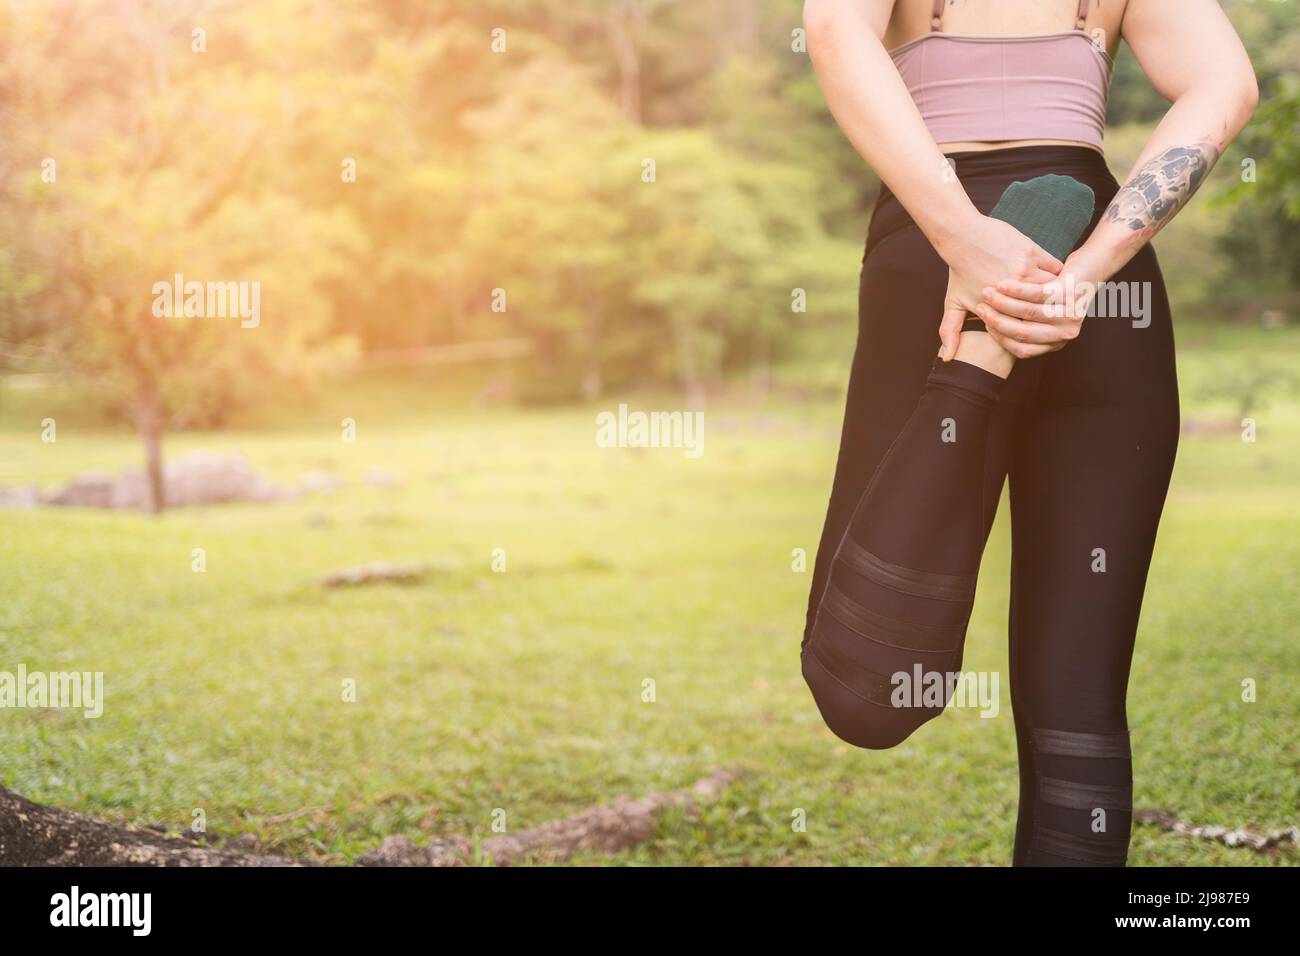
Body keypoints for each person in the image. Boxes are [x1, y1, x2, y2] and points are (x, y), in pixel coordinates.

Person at [799, 0, 1258, 865]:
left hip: (953, 259)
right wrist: (1075, 271)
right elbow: (1225, 82)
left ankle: (977, 360)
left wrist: (972, 246)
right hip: (1093, 283)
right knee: (1070, 708)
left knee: (880, 691)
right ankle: (980, 361)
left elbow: (832, 29)